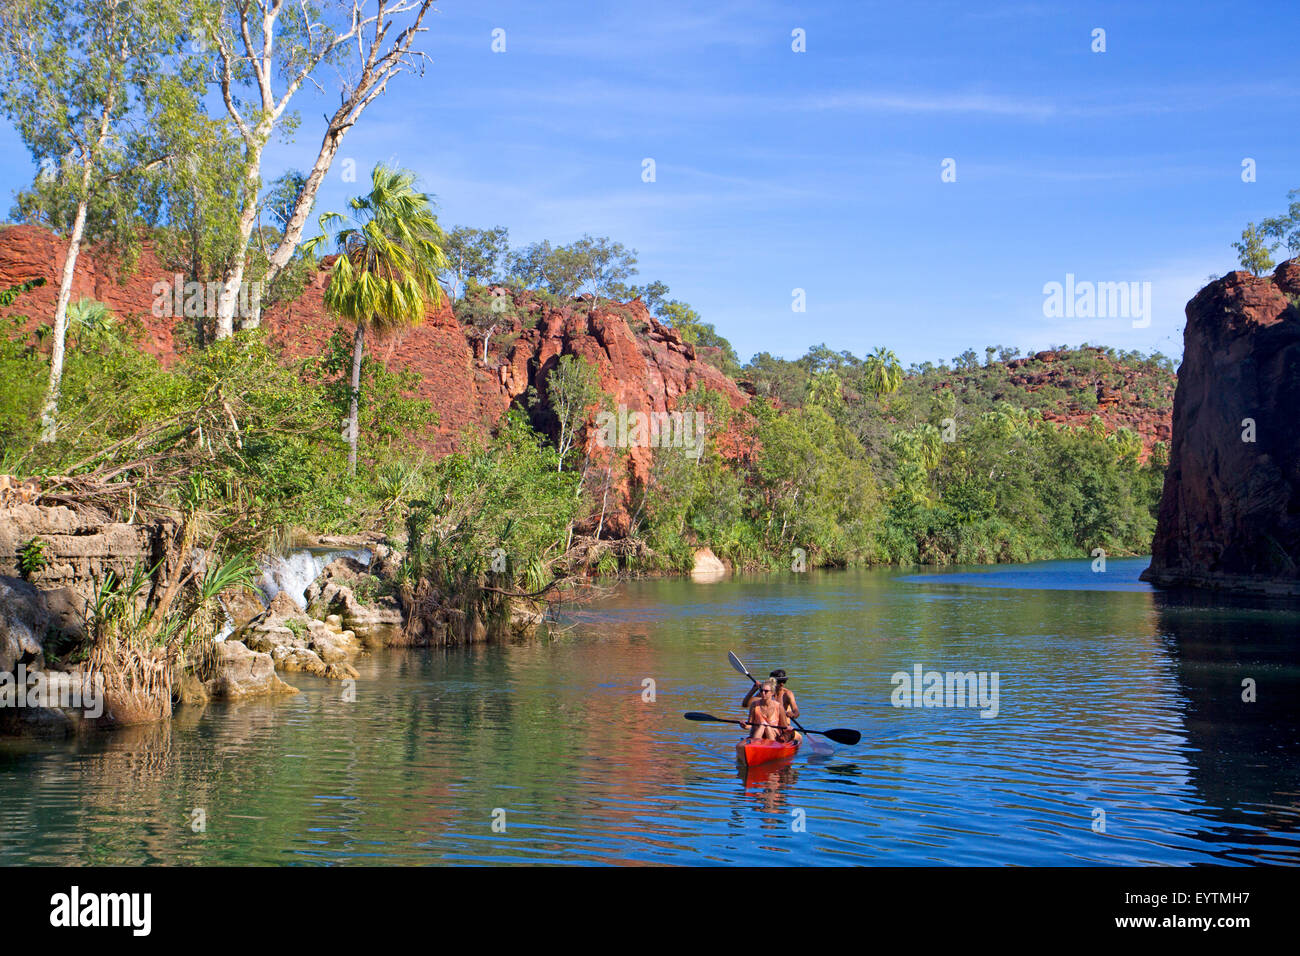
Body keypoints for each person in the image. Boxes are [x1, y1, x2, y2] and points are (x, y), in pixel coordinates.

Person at [743, 679, 800, 743]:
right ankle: (755, 745)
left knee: (767, 727)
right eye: (761, 691)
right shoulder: (754, 705)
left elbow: (784, 727)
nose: (763, 693)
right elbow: (749, 724)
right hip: (758, 734)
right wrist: (744, 725)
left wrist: (788, 729)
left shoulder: (779, 707)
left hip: (773, 736)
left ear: (772, 693)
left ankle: (772, 746)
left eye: (766, 691)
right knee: (762, 725)